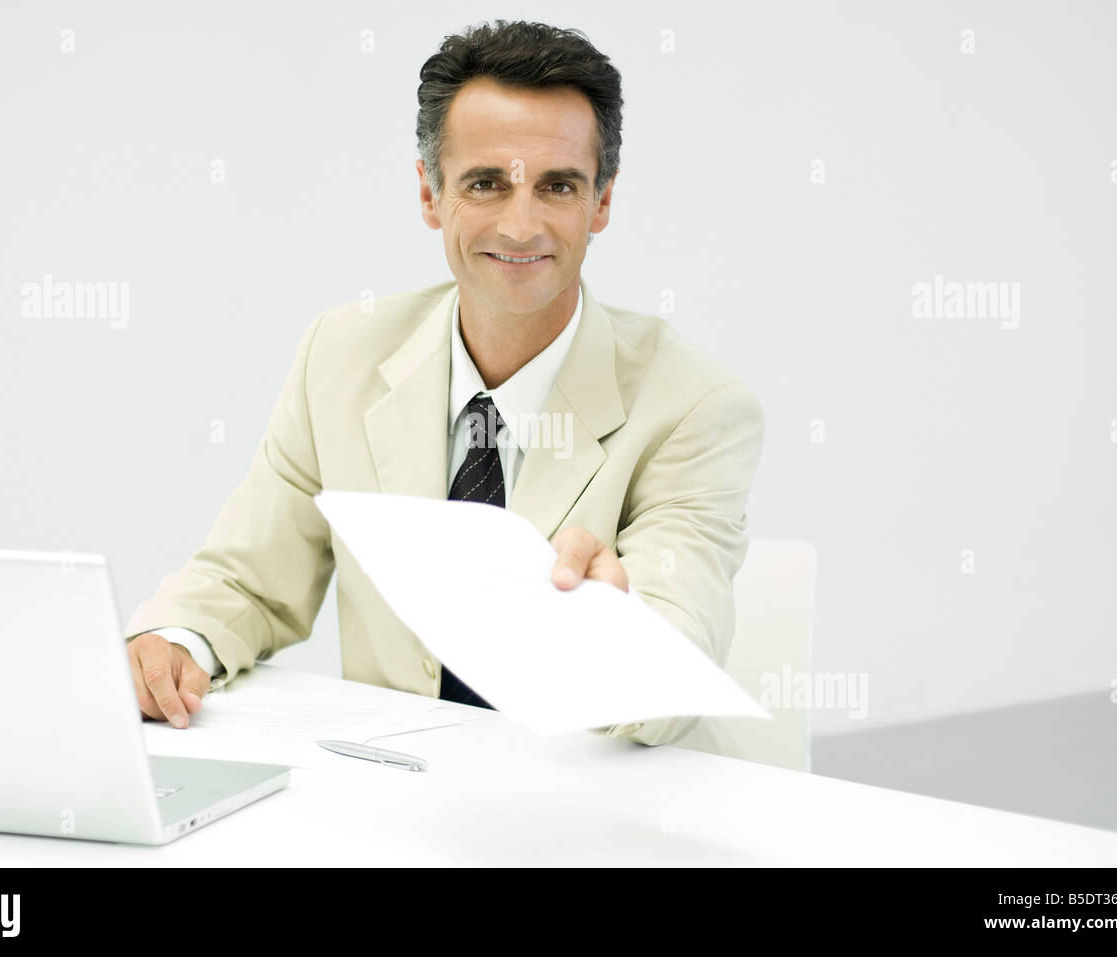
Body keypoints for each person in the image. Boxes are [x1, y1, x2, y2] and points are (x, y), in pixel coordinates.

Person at [125, 19, 764, 747]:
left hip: (608, 817)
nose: (521, 227)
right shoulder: (341, 354)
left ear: (603, 202)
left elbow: (678, 631)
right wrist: (175, 641)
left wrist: (615, 642)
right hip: (402, 806)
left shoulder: (697, 405)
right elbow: (248, 579)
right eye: (486, 184)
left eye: (558, 186)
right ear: (430, 194)